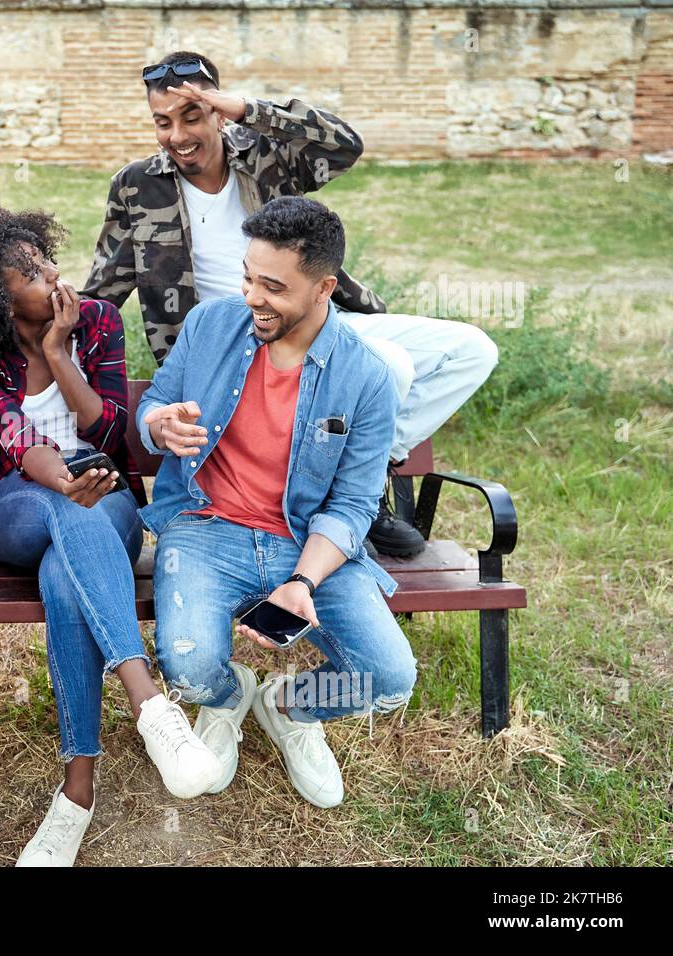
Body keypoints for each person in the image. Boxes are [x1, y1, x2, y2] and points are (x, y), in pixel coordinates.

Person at [84, 51, 499, 558]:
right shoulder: (136, 186)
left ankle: (364, 471)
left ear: (218, 111)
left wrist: (249, 110)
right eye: (162, 122)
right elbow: (104, 286)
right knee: (388, 365)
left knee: (471, 349)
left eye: (192, 115)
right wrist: (41, 331)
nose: (177, 135)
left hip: (315, 319)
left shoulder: (264, 154)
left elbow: (346, 146)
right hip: (223, 350)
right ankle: (360, 497)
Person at [0, 205, 222, 867]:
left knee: (69, 569)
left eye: (45, 260)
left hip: (105, 501)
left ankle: (76, 793)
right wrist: (62, 484)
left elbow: (112, 433)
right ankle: (150, 705)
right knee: (70, 512)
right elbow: (17, 439)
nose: (51, 276)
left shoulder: (94, 322)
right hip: (17, 508)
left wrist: (60, 354)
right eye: (28, 273)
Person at [138, 196, 418, 809]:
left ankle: (288, 707)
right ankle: (226, 696)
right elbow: (154, 399)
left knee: (391, 680)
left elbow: (352, 503)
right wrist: (159, 424)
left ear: (324, 287)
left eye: (272, 286)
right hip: (204, 526)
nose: (252, 297)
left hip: (308, 542)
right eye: (247, 276)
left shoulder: (365, 377)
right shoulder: (210, 326)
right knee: (187, 669)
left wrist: (302, 582)